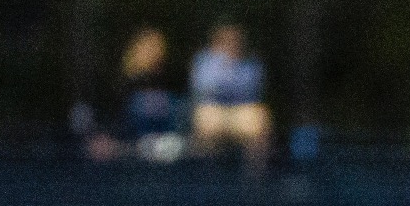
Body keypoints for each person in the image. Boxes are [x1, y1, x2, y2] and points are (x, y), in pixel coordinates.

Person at [85, 27, 183, 164]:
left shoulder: (168, 81)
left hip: (162, 149)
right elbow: (107, 121)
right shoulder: (120, 85)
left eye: (158, 48)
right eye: (149, 47)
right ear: (136, 50)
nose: (155, 53)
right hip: (128, 152)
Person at [189, 23, 272, 169]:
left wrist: (228, 81)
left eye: (235, 40)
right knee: (206, 117)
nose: (232, 43)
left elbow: (252, 90)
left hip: (239, 110)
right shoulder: (204, 60)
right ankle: (207, 173)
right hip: (214, 109)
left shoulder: (250, 62)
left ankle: (255, 176)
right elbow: (203, 88)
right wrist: (225, 69)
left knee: (259, 116)